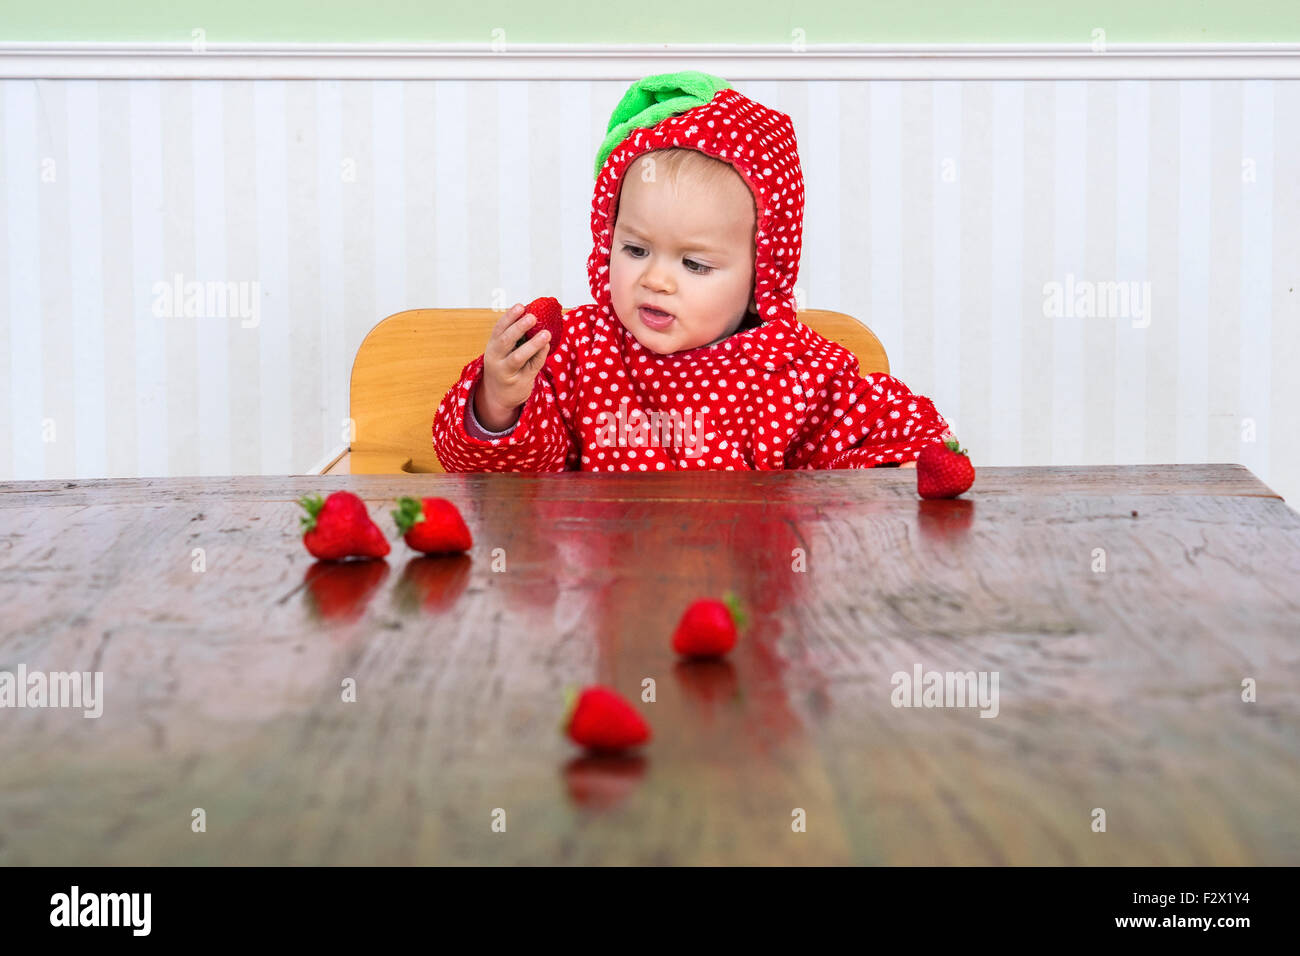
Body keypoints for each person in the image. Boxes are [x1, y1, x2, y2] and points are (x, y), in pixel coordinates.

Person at [433, 71, 952, 472]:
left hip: (741, 596)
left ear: (761, 275)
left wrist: (898, 467)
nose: (656, 280)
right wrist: (499, 401)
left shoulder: (794, 371)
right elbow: (499, 476)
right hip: (616, 593)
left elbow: (892, 436)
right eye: (635, 250)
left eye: (695, 263)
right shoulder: (579, 354)